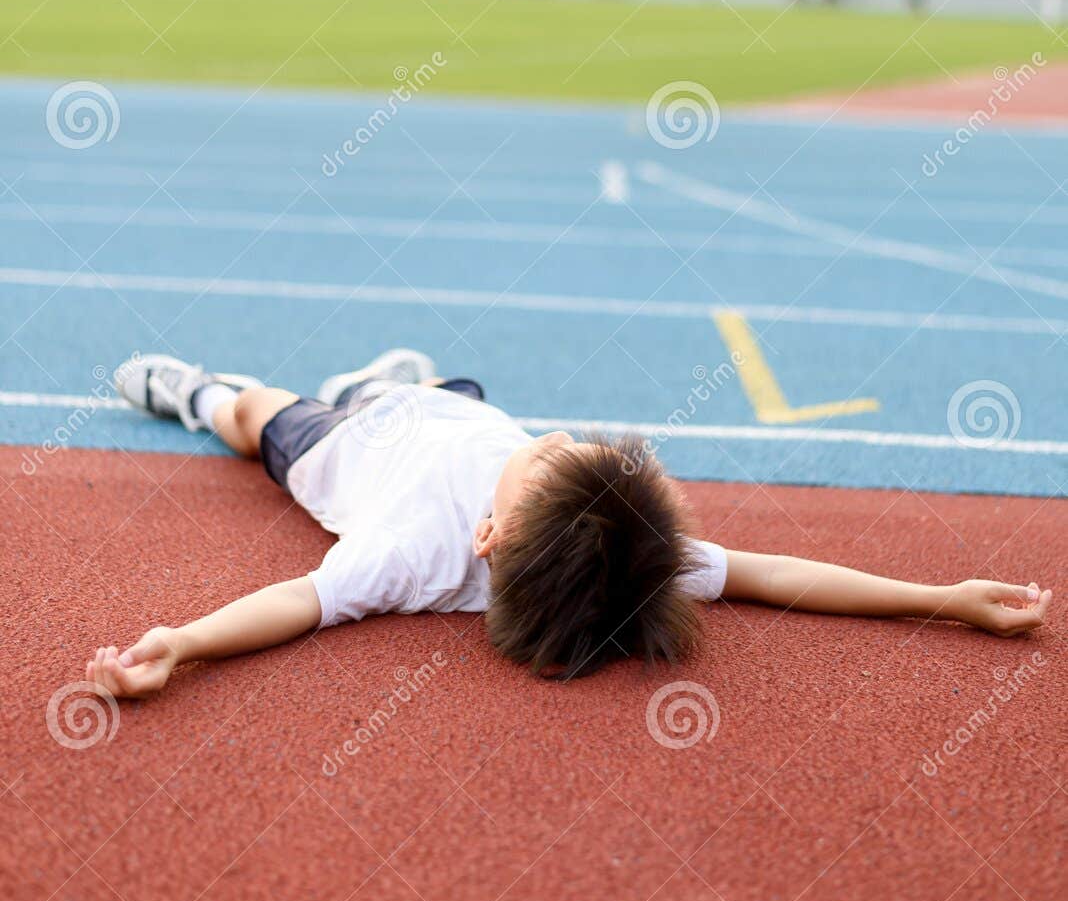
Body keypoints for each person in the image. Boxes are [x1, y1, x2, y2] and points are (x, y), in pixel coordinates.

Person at [85, 349, 1053, 700]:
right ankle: (384, 377)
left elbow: (294, 601)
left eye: (551, 458)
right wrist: (941, 599)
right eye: (581, 446)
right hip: (452, 411)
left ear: (487, 539)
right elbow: (773, 574)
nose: (559, 437)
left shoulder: (403, 555)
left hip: (347, 448)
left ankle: (195, 389)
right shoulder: (625, 542)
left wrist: (183, 643)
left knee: (262, 411)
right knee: (444, 382)